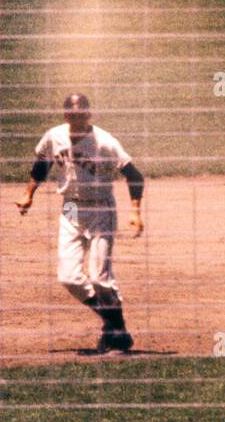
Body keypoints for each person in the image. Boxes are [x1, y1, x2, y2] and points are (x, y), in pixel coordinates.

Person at [16, 92, 144, 354]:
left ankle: (114, 332)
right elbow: (41, 165)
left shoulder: (105, 142)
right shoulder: (54, 136)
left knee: (100, 276)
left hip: (100, 209)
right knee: (69, 277)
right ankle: (115, 325)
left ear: (89, 114)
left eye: (83, 114)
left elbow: (134, 175)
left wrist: (135, 212)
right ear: (66, 116)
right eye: (73, 115)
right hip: (72, 207)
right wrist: (29, 194)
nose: (79, 118)